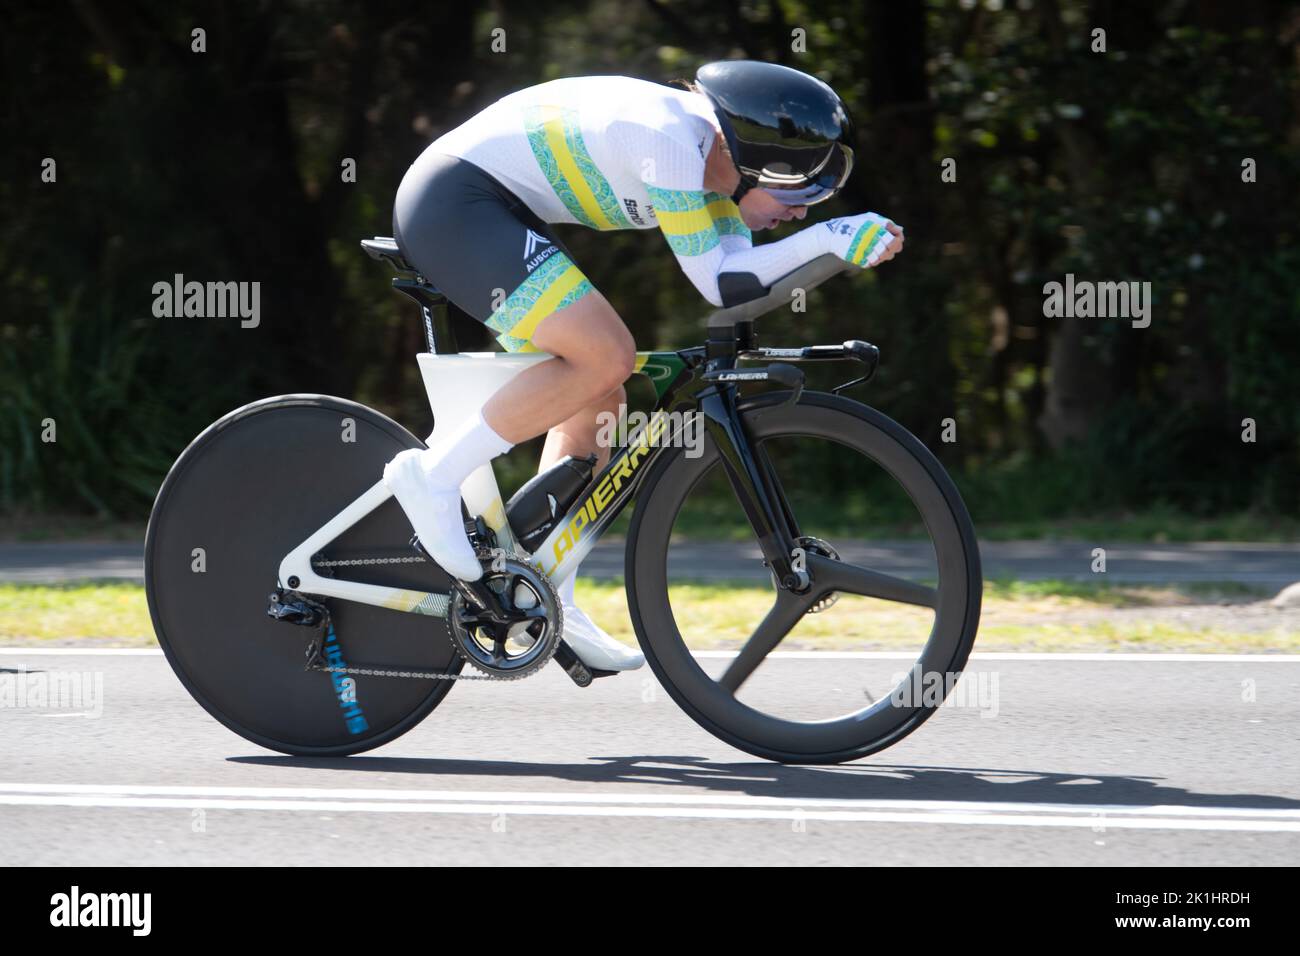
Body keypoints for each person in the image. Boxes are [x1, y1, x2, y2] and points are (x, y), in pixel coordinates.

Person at [382, 59, 905, 673]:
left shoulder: (714, 175)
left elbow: (736, 285)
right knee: (606, 355)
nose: (800, 212)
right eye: (798, 192)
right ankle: (433, 476)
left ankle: (547, 589)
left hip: (495, 210)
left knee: (602, 397)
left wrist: (833, 245)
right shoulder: (668, 138)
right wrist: (832, 238)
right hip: (456, 202)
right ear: (751, 161)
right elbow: (719, 281)